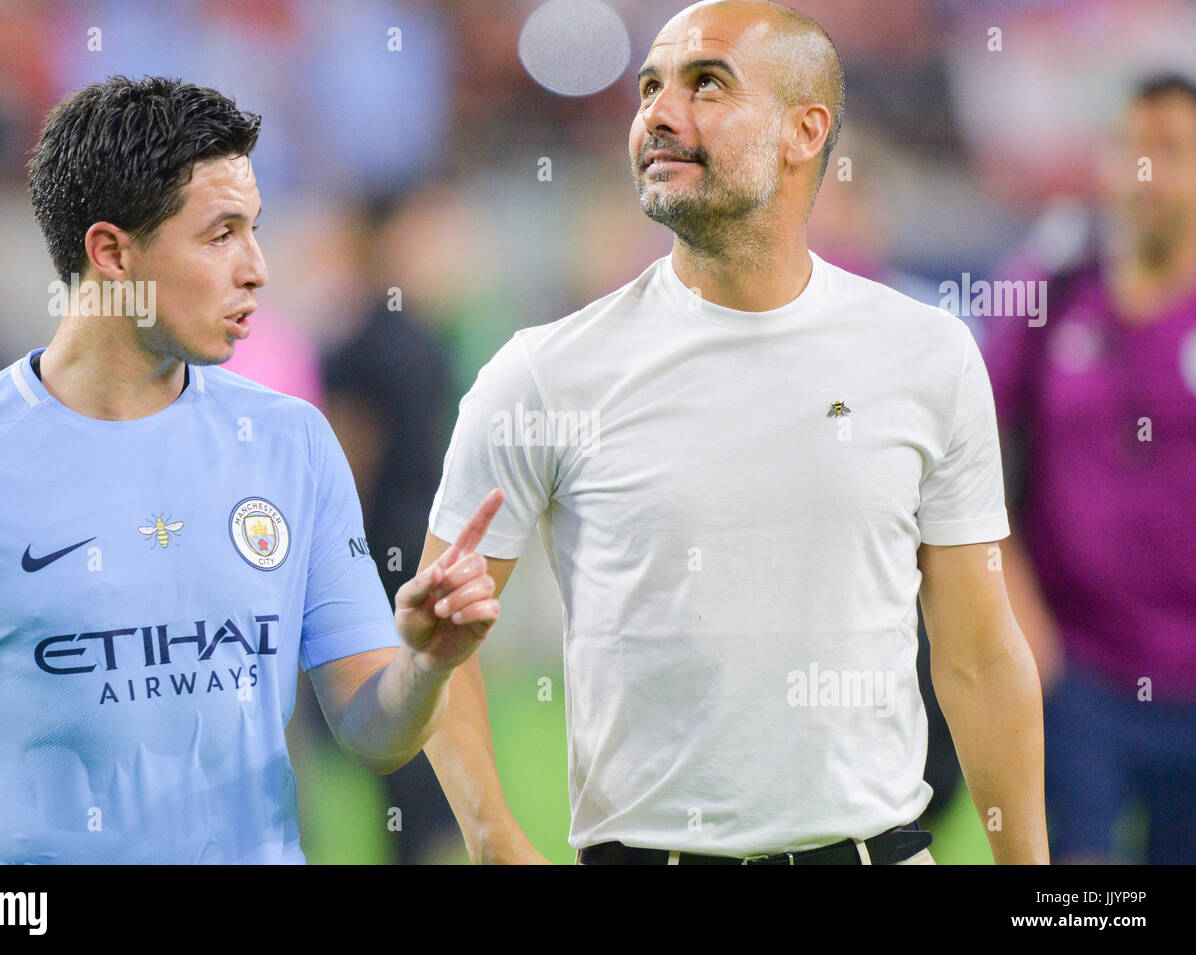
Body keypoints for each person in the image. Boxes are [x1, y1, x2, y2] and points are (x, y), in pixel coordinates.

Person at [420, 0, 1049, 864]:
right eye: (650, 87)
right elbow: (435, 637)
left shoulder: (928, 354)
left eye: (706, 83)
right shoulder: (544, 373)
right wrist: (494, 840)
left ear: (805, 130)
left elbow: (979, 653)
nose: (658, 113)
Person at [0, 75, 504, 864]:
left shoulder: (292, 444)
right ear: (112, 252)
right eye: (221, 235)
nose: (258, 268)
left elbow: (371, 730)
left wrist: (425, 664)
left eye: (255, 230)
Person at [985, 74, 1196, 864]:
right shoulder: (1048, 295)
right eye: (1129, 148)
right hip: (1077, 676)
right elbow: (965, 461)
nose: (1145, 172)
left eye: (1170, 151)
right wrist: (1012, 600)